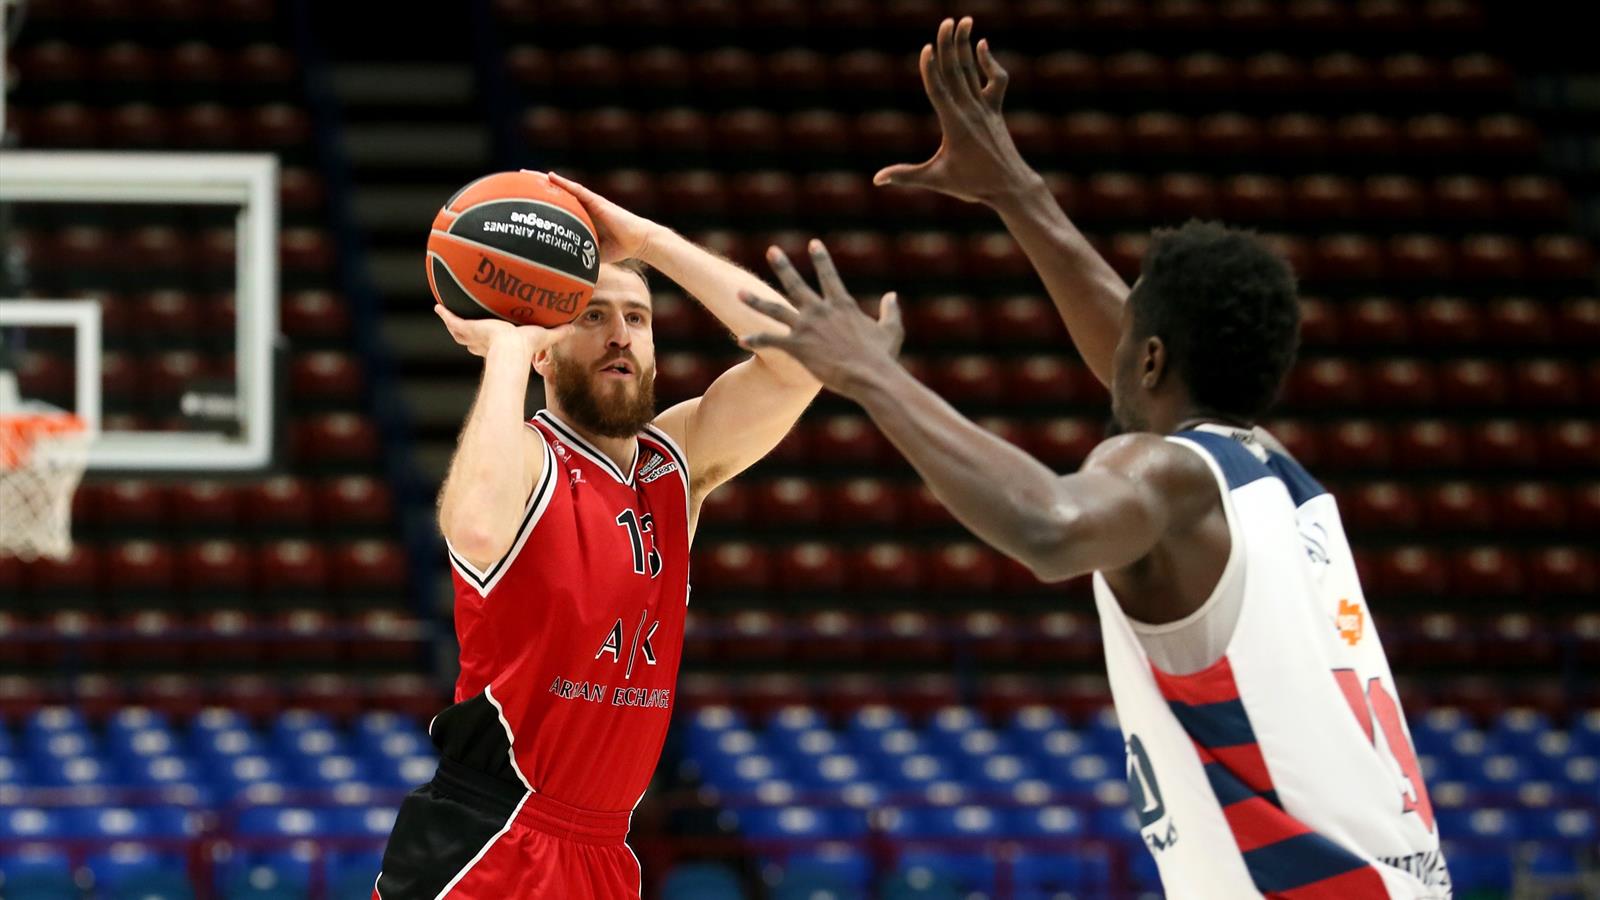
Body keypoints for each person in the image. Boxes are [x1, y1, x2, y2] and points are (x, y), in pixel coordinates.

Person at [740, 18, 1450, 900]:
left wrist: (874, 378)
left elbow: (1050, 526)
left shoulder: (1173, 478)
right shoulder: (1275, 479)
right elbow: (1138, 337)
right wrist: (1017, 191)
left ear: (1151, 360)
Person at [374, 171, 832, 900]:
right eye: (591, 316)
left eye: (639, 318)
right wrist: (506, 350)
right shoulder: (527, 456)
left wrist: (649, 241)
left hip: (606, 850)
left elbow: (808, 360)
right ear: (547, 345)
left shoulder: (677, 463)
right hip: (491, 840)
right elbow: (476, 527)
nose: (621, 334)